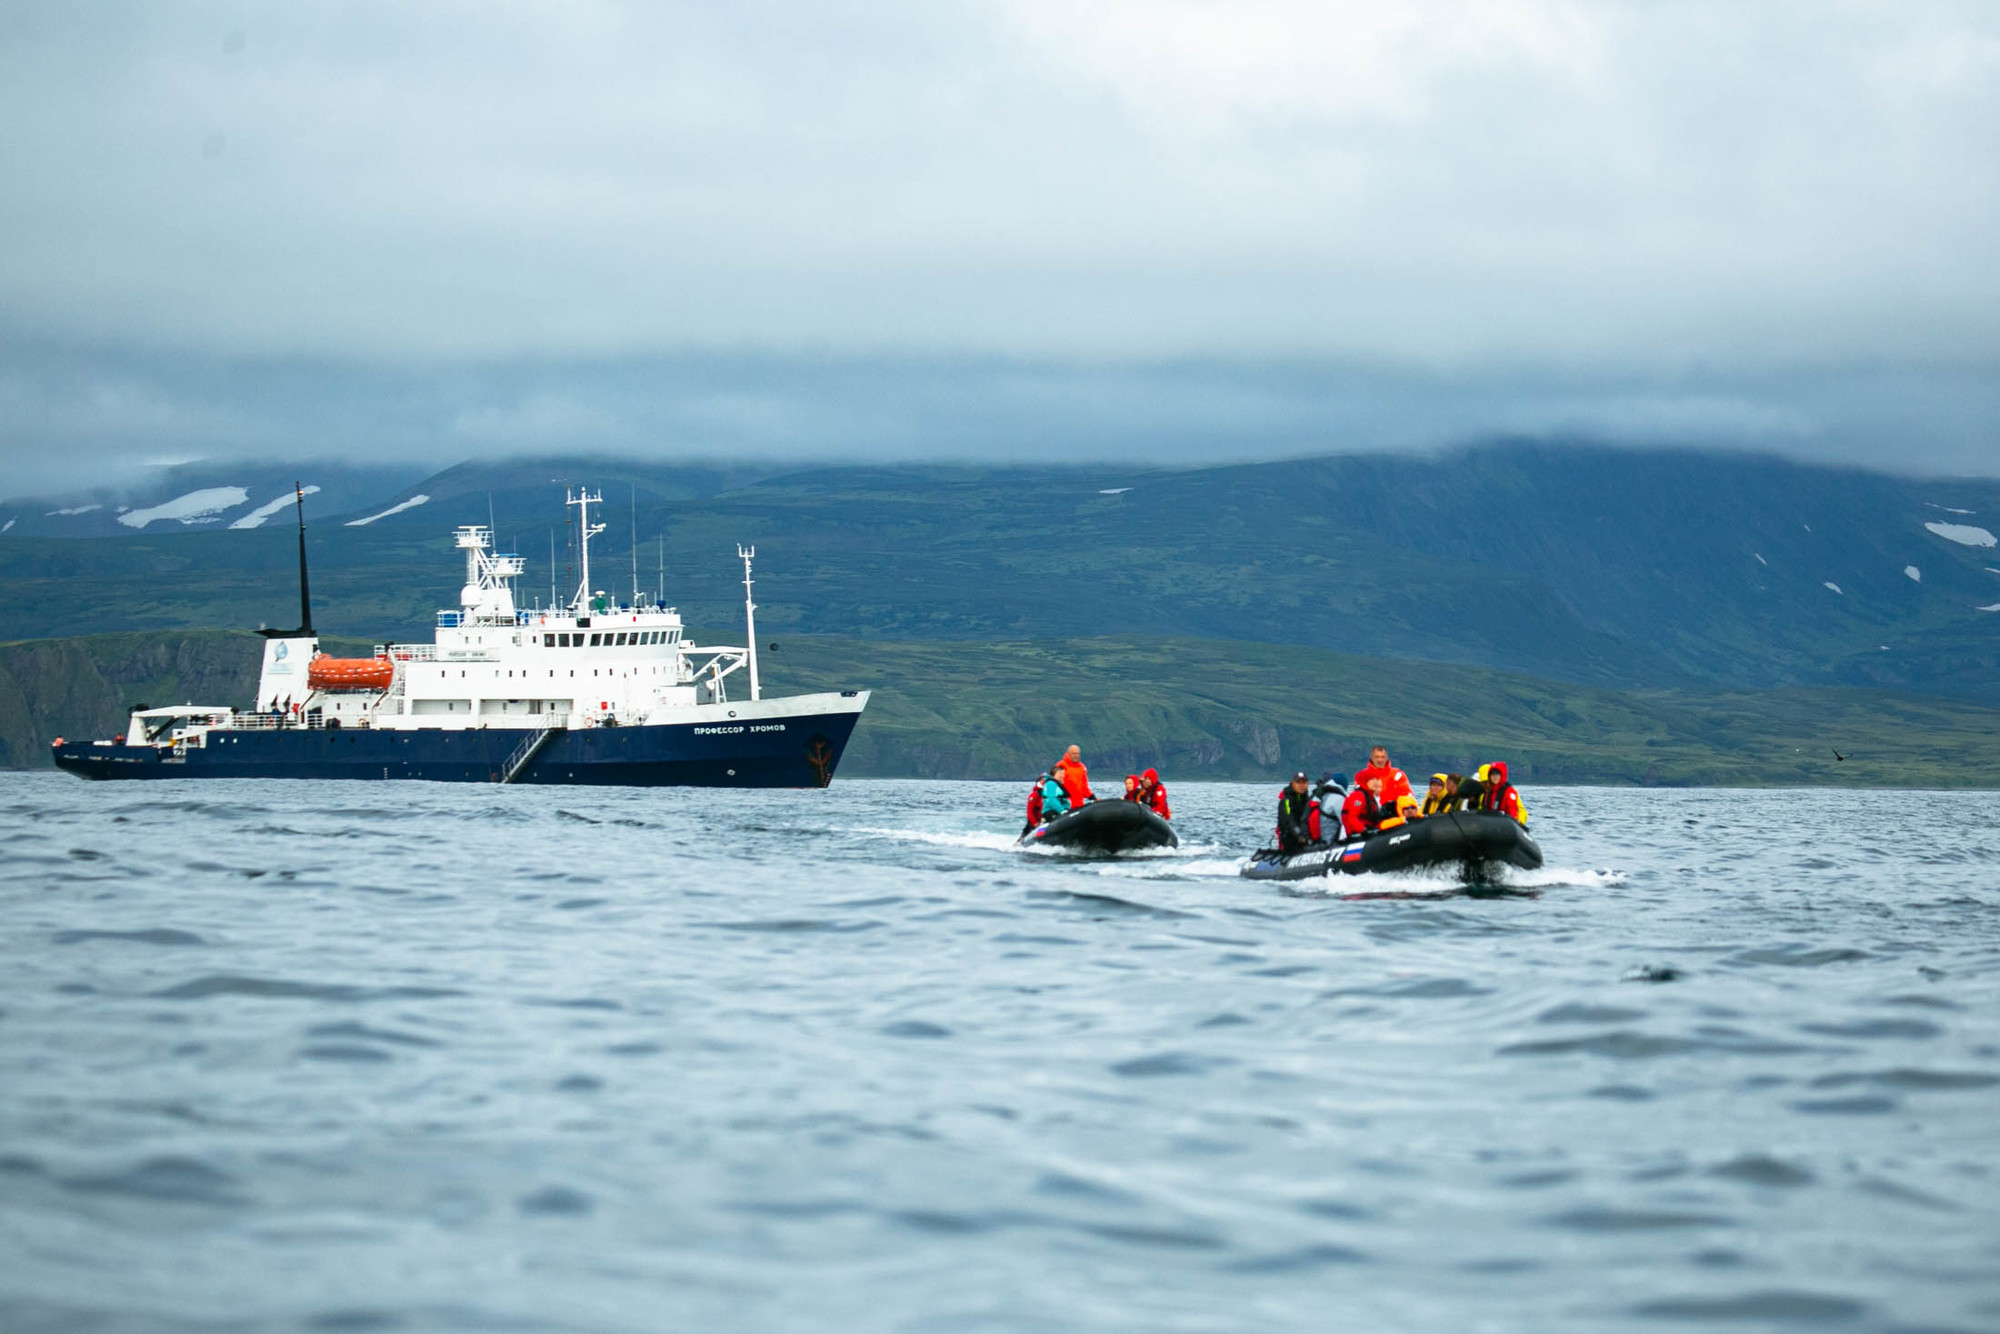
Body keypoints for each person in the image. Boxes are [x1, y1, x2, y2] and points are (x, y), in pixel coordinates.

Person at [1276, 771, 1321, 854]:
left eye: (1304, 782)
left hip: (1305, 838)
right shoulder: (1286, 801)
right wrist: (1299, 834)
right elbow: (1289, 820)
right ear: (1292, 784)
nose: (1301, 785)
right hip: (1290, 840)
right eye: (1298, 782)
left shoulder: (1308, 800)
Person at [1474, 760, 1529, 827]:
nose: (1487, 785)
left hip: (1506, 825)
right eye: (1484, 783)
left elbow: (1521, 812)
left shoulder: (1509, 792)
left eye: (1488, 782)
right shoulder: (1483, 794)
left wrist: (1517, 824)